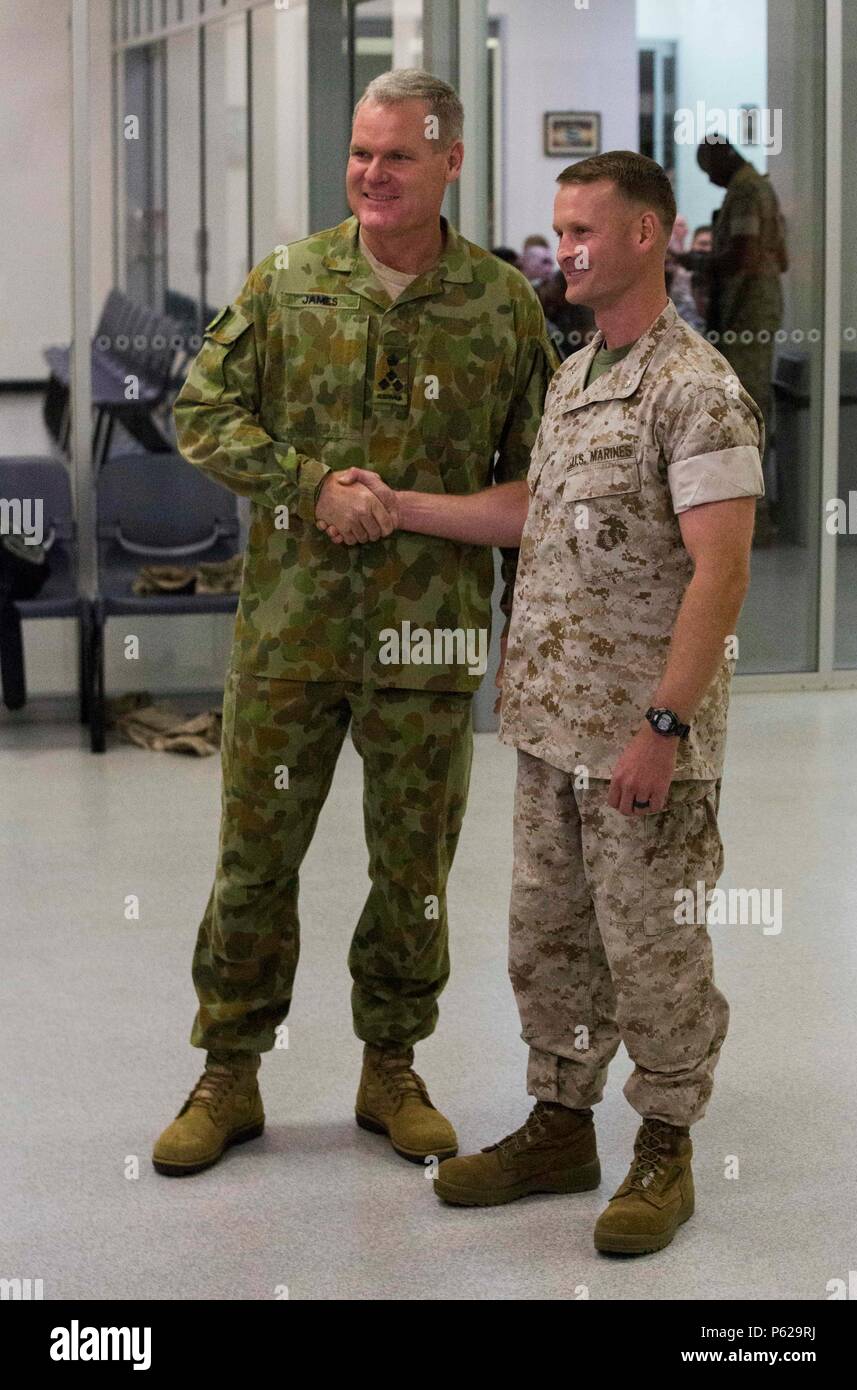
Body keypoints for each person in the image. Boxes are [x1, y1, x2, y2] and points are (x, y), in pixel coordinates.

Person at [152, 69, 558, 1178]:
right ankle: (227, 1071)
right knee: (252, 863)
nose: (371, 175)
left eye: (397, 157)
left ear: (449, 163)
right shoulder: (288, 284)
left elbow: (535, 489)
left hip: (428, 647)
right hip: (290, 639)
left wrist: (524, 637)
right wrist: (308, 482)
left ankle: (391, 1065)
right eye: (359, 153)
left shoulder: (500, 305)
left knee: (413, 870)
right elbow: (202, 411)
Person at [432, 150, 765, 1257]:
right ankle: (559, 1123)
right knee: (550, 938)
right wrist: (408, 507)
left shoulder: (696, 388)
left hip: (638, 736)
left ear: (647, 238)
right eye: (557, 229)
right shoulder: (576, 376)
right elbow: (536, 513)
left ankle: (663, 1145)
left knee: (651, 945)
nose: (564, 249)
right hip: (548, 728)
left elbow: (720, 571)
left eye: (585, 230)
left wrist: (662, 726)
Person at [680, 139, 787, 538]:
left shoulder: (745, 191)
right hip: (749, 308)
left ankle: (751, 521)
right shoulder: (757, 187)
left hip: (747, 311)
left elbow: (741, 254)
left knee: (746, 412)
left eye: (710, 170)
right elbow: (782, 255)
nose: (711, 180)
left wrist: (696, 262)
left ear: (725, 159)